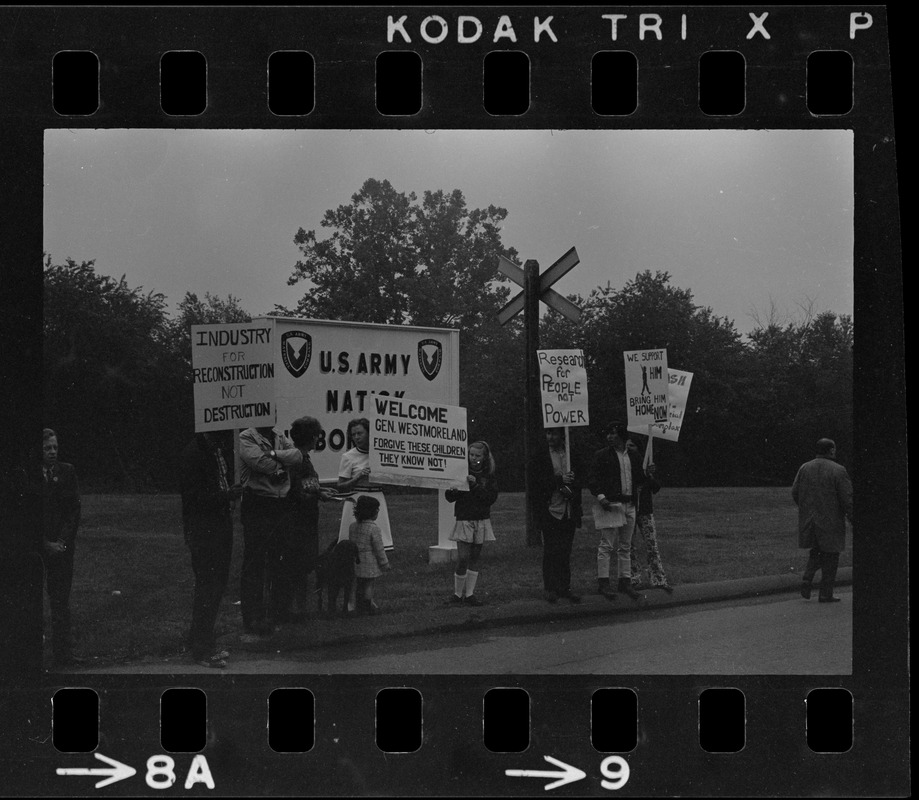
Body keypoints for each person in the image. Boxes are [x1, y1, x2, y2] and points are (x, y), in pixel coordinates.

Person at [179, 431, 239, 668]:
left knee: (216, 584)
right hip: (205, 531)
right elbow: (194, 499)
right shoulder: (194, 454)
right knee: (208, 584)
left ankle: (200, 639)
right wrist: (226, 496)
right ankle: (202, 648)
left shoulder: (215, 450)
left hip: (219, 526)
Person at [238, 424, 302, 638]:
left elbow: (297, 456)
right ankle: (253, 617)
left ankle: (276, 612)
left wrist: (274, 453)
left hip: (279, 504)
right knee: (255, 563)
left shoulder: (279, 435)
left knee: (279, 561)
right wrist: (281, 465)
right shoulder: (247, 436)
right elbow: (261, 463)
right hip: (258, 503)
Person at [271, 416, 337, 622]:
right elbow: (297, 490)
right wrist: (320, 494)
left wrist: (320, 490)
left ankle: (293, 609)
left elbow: (306, 485)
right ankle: (291, 611)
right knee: (297, 565)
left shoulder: (302, 457)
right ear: (312, 437)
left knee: (299, 564)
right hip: (299, 520)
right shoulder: (299, 459)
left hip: (303, 518)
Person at [589, 422, 646, 602]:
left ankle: (625, 581)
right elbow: (593, 479)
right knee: (606, 545)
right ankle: (603, 582)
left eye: (613, 433)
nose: (609, 437)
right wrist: (601, 496)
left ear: (621, 435)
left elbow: (640, 479)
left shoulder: (634, 456)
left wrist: (649, 472)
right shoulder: (602, 455)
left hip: (630, 504)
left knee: (625, 546)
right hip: (612, 504)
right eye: (608, 434)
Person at [792, 438, 853, 603]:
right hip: (831, 520)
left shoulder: (804, 467)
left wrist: (805, 508)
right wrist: (852, 517)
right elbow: (846, 499)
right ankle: (826, 593)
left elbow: (795, 491)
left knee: (816, 551)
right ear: (831, 450)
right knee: (831, 557)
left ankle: (807, 577)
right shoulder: (839, 470)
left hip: (810, 519)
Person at [40, 429, 83, 668]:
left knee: (60, 601)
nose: (53, 452)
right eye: (48, 448)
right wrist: (44, 543)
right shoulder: (30, 475)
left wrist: (62, 543)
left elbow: (73, 511)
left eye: (55, 447)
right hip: (39, 547)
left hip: (62, 547)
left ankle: (63, 654)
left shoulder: (67, 472)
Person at [445, 441, 499, 607]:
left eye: (477, 455)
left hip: (481, 518)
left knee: (475, 557)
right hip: (464, 517)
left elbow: (490, 498)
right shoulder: (461, 472)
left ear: (484, 457)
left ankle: (469, 594)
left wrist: (474, 485)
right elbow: (449, 496)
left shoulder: (488, 476)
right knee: (463, 557)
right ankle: (456, 593)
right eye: (471, 455)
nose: (474, 458)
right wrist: (454, 491)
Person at [534, 428, 584, 604]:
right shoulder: (541, 455)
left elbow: (580, 478)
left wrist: (572, 484)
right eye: (548, 433)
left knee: (565, 550)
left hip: (568, 509)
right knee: (551, 550)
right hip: (551, 509)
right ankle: (550, 588)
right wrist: (559, 480)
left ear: (562, 435)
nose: (550, 437)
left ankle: (564, 587)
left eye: (554, 434)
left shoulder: (571, 453)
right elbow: (537, 482)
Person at [337, 417, 393, 550]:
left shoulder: (381, 454)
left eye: (360, 433)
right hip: (356, 499)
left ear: (369, 433)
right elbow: (340, 486)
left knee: (378, 542)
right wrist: (358, 477)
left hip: (377, 496)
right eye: (353, 434)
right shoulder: (348, 456)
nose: (356, 437)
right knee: (354, 543)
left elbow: (390, 484)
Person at [627, 442, 673, 593]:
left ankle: (658, 578)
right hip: (630, 509)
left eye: (633, 445)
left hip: (645, 511)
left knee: (652, 545)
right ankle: (633, 578)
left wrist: (649, 475)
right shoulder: (625, 466)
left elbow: (656, 487)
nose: (629, 448)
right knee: (629, 546)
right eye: (627, 445)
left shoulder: (646, 467)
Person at [348, 494, 391, 614]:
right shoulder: (374, 529)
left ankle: (357, 605)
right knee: (369, 585)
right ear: (373, 512)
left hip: (355, 560)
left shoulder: (353, 526)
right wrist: (385, 563)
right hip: (369, 561)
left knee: (359, 584)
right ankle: (367, 607)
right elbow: (379, 549)